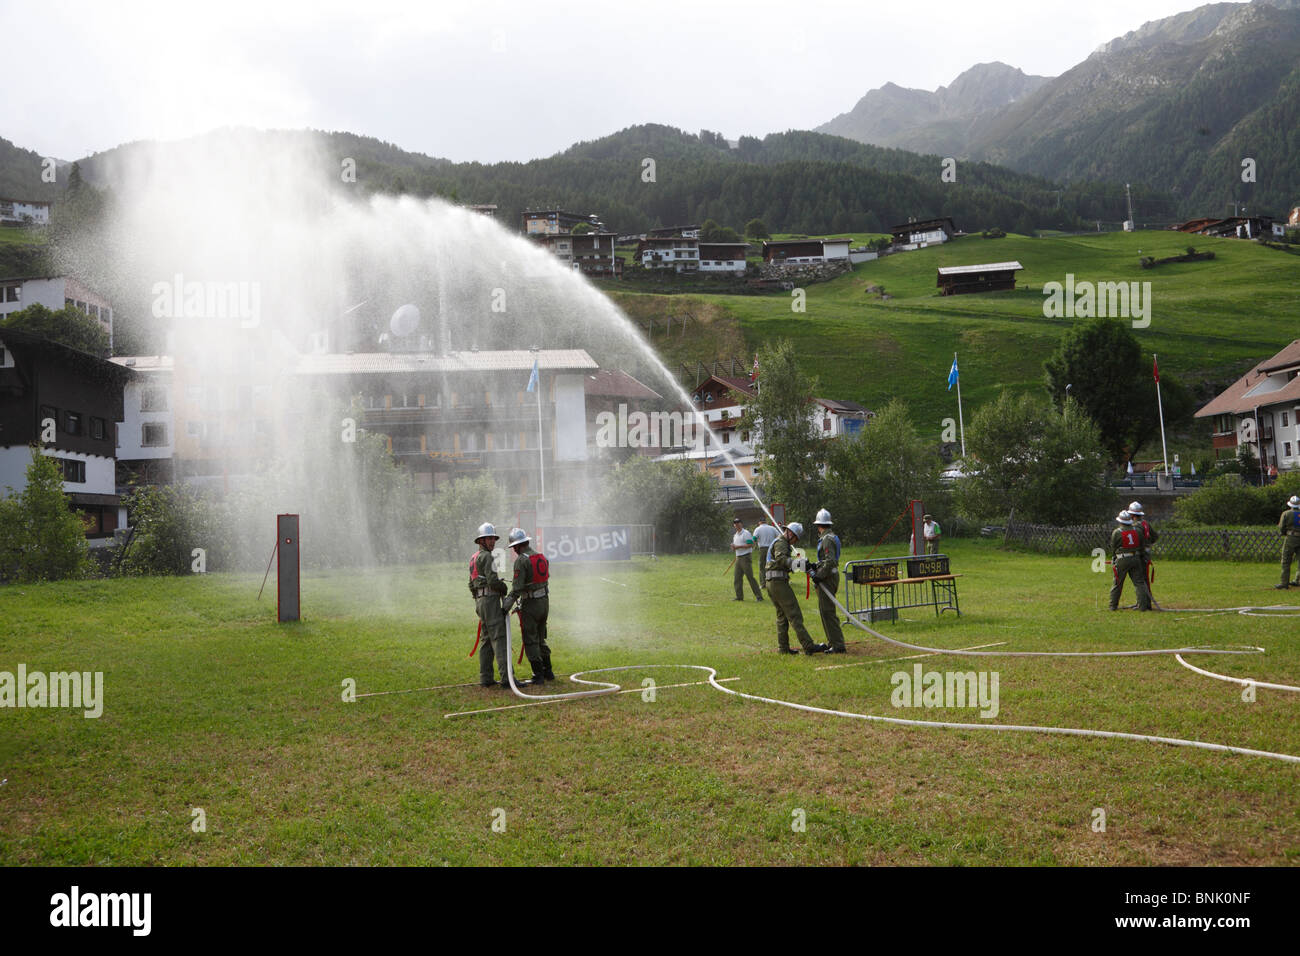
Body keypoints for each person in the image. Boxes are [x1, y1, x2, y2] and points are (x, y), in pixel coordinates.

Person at [503, 528, 553, 685]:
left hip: (531, 604)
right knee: (540, 638)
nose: (514, 551)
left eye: (514, 548)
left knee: (530, 639)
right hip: (544, 602)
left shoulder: (521, 561)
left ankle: (537, 675)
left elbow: (517, 588)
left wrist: (506, 605)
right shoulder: (541, 556)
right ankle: (548, 671)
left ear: (518, 546)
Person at [765, 521, 824, 655]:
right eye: (796, 538)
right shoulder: (781, 543)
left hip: (772, 582)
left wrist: (804, 565)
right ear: (791, 534)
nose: (795, 542)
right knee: (794, 614)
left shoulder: (780, 542)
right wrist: (800, 563)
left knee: (782, 616)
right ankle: (808, 646)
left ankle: (783, 648)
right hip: (778, 583)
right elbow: (782, 560)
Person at [468, 522, 511, 687]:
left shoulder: (473, 558)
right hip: (490, 602)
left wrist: (479, 599)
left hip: (480, 602)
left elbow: (471, 583)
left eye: (493, 538)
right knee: (499, 638)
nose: (492, 541)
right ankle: (507, 679)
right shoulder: (487, 556)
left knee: (486, 641)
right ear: (481, 541)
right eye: (489, 538)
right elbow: (493, 581)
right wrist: (503, 588)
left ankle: (485, 678)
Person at [810, 509, 846, 654]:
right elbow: (826, 560)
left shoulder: (826, 539)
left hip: (828, 578)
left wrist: (819, 575)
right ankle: (833, 641)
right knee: (826, 611)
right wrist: (816, 566)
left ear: (819, 525)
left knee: (828, 612)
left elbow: (830, 561)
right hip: (828, 576)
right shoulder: (832, 537)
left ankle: (838, 644)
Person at [1108, 510, 1152, 611]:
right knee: (1139, 583)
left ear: (1120, 521)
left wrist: (1114, 558)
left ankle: (1113, 606)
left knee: (1118, 583)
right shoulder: (1137, 531)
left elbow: (1113, 547)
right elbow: (1141, 545)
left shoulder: (1117, 532)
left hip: (1122, 559)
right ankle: (1143, 606)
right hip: (1136, 558)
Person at [1128, 500, 1158, 599]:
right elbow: (1155, 537)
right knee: (1144, 578)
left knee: (1140, 580)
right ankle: (1146, 600)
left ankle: (1143, 602)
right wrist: (1148, 545)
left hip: (1139, 555)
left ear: (1132, 515)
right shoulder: (1146, 524)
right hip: (1146, 554)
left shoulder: (1135, 526)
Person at [730, 517, 764, 602]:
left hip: (745, 557)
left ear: (741, 524)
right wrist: (733, 547)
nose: (737, 525)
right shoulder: (735, 535)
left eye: (738, 523)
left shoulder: (746, 533)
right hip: (738, 557)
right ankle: (739, 597)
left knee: (750, 577)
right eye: (735, 523)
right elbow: (736, 546)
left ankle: (759, 596)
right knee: (737, 578)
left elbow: (750, 544)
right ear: (734, 525)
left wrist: (738, 547)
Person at [1276, 494, 1300, 589]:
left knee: (1286, 560)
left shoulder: (1286, 513)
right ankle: (1298, 580)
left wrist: (1284, 533)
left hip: (1290, 538)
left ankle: (1284, 583)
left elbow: (1282, 527)